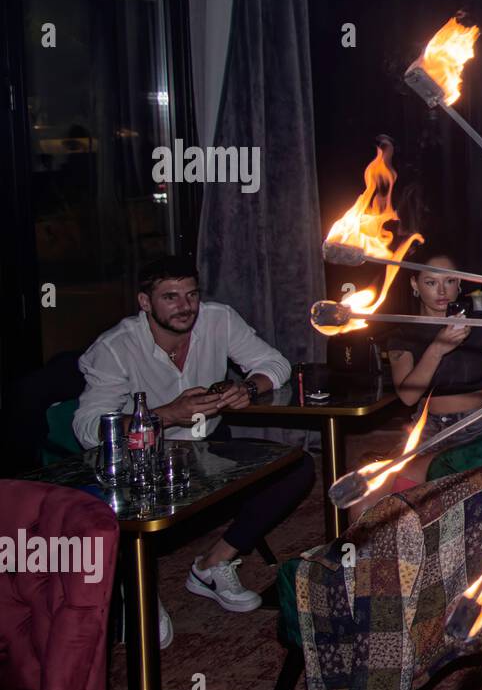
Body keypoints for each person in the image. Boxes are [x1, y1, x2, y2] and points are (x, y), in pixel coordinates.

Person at [73, 255, 315, 641]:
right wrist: (166, 415)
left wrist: (248, 388)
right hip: (145, 461)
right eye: (170, 297)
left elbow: (274, 363)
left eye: (191, 294)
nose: (186, 306)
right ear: (145, 302)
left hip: (209, 446)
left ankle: (212, 564)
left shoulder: (218, 318)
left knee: (296, 467)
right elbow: (88, 429)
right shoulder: (116, 348)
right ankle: (135, 590)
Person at [387, 249, 482, 451]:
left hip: (478, 423)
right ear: (415, 284)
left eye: (449, 281)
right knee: (400, 479)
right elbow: (408, 397)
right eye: (431, 282)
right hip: (428, 426)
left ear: (459, 282)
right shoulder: (404, 333)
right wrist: (437, 348)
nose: (442, 291)